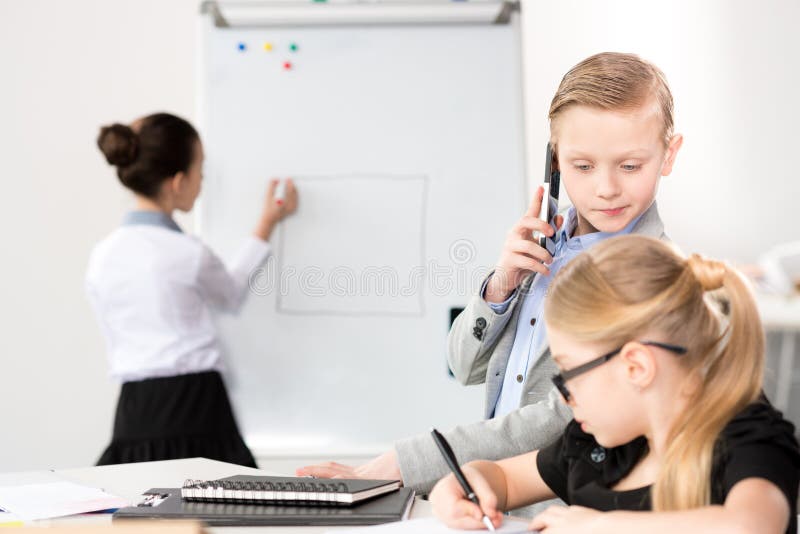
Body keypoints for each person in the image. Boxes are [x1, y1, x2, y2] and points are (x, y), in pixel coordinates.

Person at [298, 52, 683, 502]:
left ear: (668, 155)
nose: (606, 188)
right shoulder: (546, 242)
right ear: (554, 160)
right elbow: (465, 366)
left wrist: (409, 462)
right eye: (582, 166)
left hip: (570, 506)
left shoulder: (652, 276)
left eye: (630, 166)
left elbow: (566, 417)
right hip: (499, 501)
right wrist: (502, 285)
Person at [430, 234, 800, 534]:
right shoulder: (599, 444)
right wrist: (467, 483)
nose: (564, 394)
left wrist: (602, 526)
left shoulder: (748, 439)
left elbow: (749, 526)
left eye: (568, 372)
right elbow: (505, 479)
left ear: (636, 367)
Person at [87, 112, 297, 466]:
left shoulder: (101, 256)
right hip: (196, 401)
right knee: (226, 508)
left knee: (140, 511)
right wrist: (267, 221)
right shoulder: (187, 253)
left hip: (135, 408)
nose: (202, 182)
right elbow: (230, 293)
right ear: (178, 181)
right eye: (201, 170)